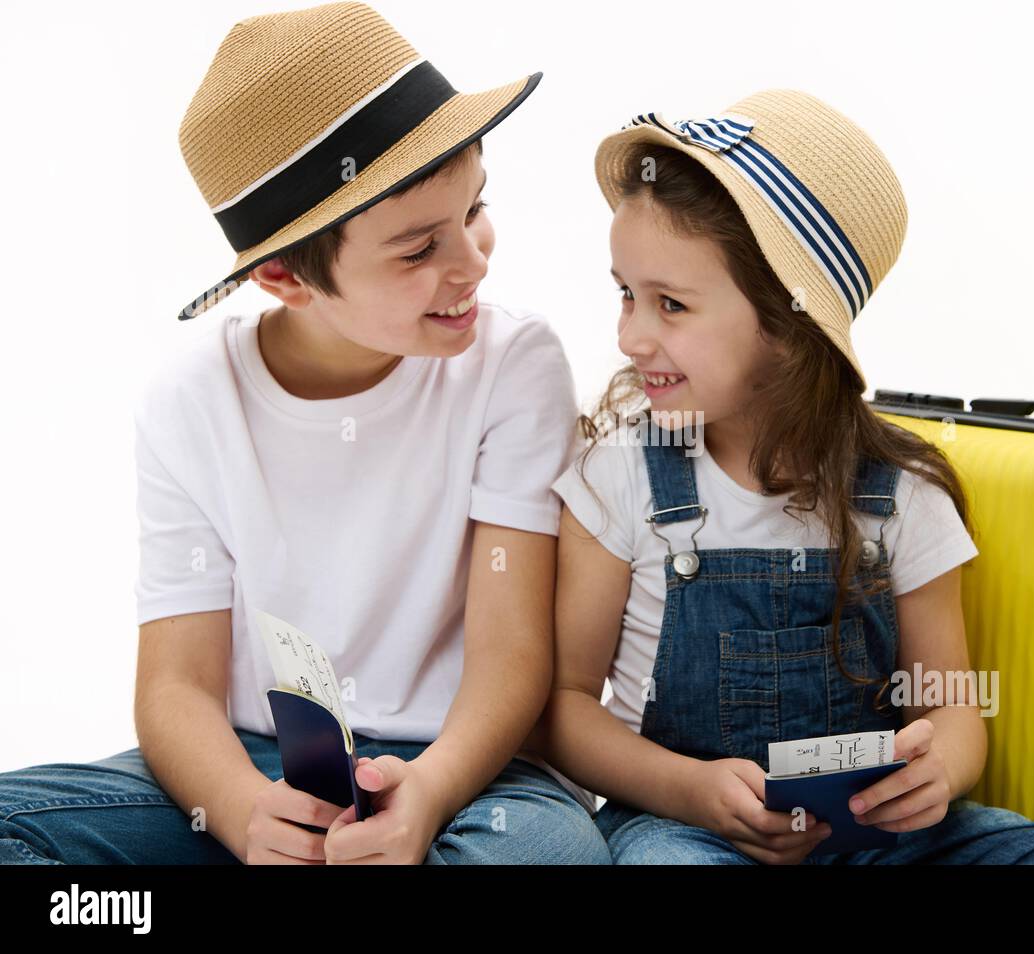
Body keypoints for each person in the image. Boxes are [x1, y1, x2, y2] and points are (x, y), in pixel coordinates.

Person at [0, 1, 608, 865]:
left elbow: (512, 654)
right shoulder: (190, 398)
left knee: (554, 855)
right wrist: (244, 812)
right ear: (284, 276)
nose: (473, 261)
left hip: (469, 767)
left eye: (475, 209)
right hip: (252, 763)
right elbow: (177, 684)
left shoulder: (514, 362)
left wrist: (426, 795)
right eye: (416, 250)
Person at [528, 89, 1034, 865]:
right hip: (686, 831)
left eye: (671, 304)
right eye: (626, 294)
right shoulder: (619, 479)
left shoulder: (901, 494)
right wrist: (691, 790)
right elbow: (565, 709)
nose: (631, 335)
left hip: (879, 838)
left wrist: (941, 767)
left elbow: (949, 704)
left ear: (789, 324)